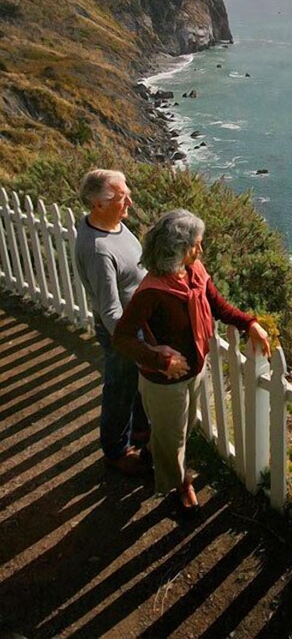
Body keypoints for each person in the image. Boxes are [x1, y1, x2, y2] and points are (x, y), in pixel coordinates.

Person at [112, 208, 270, 514]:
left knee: (182, 427)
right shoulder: (152, 291)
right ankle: (178, 485)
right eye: (195, 244)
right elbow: (122, 338)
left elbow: (218, 305)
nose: (200, 249)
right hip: (165, 381)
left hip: (195, 371)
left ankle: (157, 458)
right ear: (177, 249)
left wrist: (249, 323)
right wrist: (159, 362)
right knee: (172, 435)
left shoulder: (194, 270)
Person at [74, 169, 150, 476]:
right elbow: (109, 311)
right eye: (121, 197)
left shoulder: (113, 225)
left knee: (135, 385)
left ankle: (141, 431)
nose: (130, 201)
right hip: (121, 334)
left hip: (136, 327)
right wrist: (135, 346)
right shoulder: (98, 250)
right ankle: (116, 451)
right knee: (120, 389)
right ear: (98, 204)